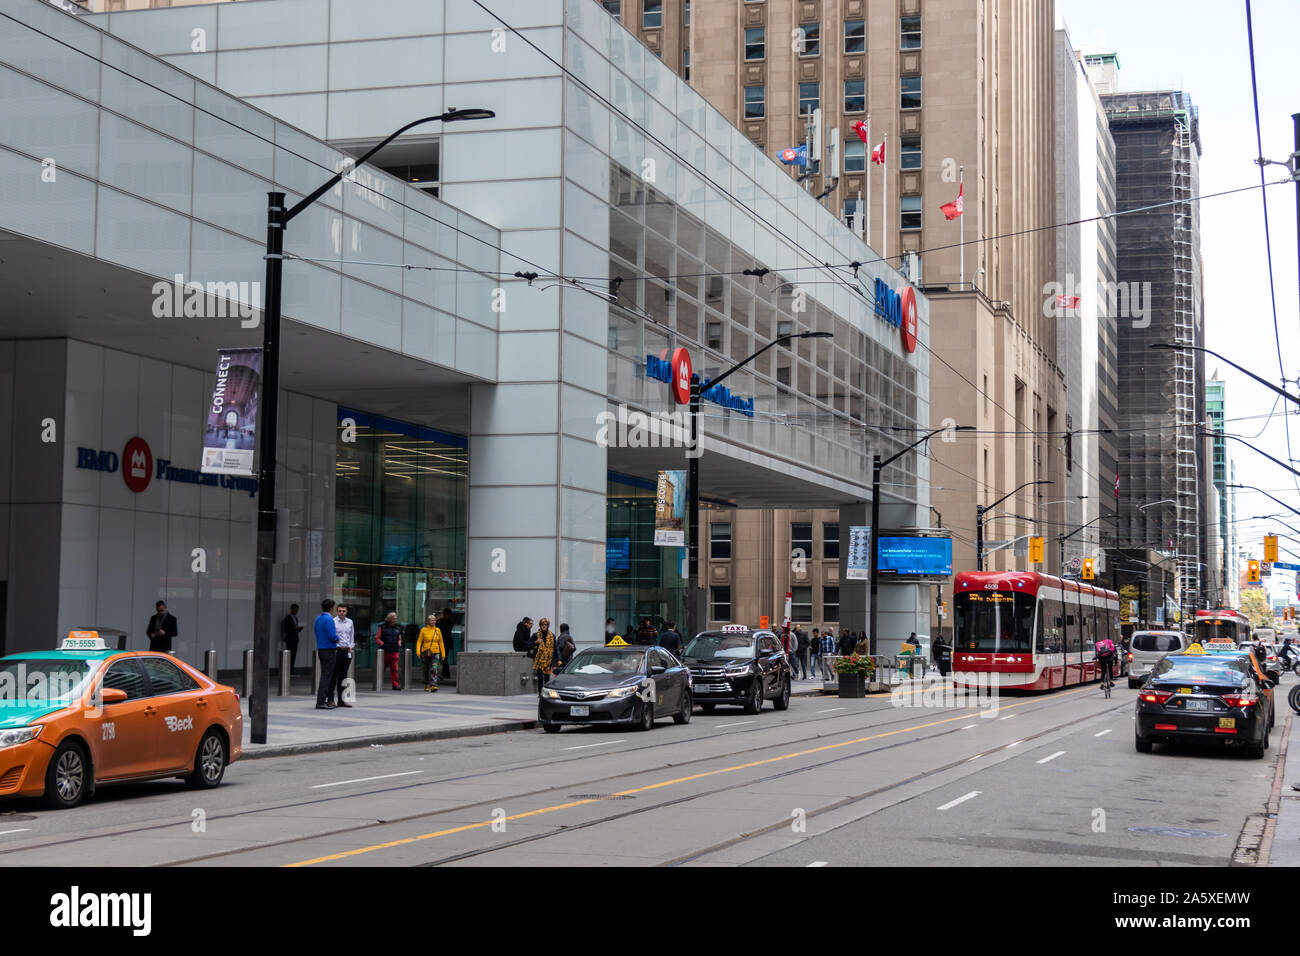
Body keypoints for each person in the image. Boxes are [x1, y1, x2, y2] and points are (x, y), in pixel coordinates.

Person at [314, 599, 339, 710]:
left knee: (324, 675)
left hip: (321, 648)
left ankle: (322, 700)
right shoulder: (329, 619)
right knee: (326, 676)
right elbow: (332, 635)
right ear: (331, 608)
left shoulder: (318, 618)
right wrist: (337, 639)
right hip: (329, 649)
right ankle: (321, 701)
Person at [331, 604, 355, 707]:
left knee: (343, 677)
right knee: (333, 676)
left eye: (343, 611)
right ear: (337, 611)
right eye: (340, 611)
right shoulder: (333, 621)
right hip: (337, 651)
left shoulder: (350, 622)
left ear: (346, 612)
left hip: (346, 651)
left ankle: (341, 701)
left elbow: (351, 635)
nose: (342, 613)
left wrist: (351, 646)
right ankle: (330, 699)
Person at [417, 614, 445, 692]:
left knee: (434, 668)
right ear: (428, 621)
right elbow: (419, 641)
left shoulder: (438, 630)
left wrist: (443, 654)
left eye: (434, 620)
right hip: (425, 652)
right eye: (432, 620)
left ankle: (434, 685)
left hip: (436, 652)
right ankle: (427, 684)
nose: (434, 622)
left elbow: (441, 642)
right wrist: (418, 652)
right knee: (426, 669)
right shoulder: (423, 630)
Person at [376, 611, 403, 690]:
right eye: (394, 618)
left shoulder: (397, 628)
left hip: (395, 651)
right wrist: (383, 645)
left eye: (396, 618)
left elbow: (399, 638)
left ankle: (395, 685)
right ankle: (379, 684)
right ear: (389, 619)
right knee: (381, 668)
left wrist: (399, 643)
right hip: (384, 651)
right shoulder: (382, 627)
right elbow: (377, 638)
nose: (395, 620)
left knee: (395, 669)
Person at [530, 618, 557, 695]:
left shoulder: (552, 636)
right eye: (542, 624)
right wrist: (535, 642)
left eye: (545, 624)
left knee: (547, 678)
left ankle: (546, 693)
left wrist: (556, 660)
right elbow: (528, 644)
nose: (544, 626)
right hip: (539, 660)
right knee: (540, 678)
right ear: (540, 625)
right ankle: (540, 693)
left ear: (548, 625)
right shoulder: (535, 635)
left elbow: (555, 648)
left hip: (548, 660)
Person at [281, 604, 303, 675]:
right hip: (290, 639)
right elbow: (286, 630)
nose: (296, 611)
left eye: (297, 610)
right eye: (295, 610)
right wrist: (294, 629)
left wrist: (298, 629)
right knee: (290, 655)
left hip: (295, 639)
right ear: (292, 609)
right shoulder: (287, 618)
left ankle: (292, 670)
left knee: (294, 655)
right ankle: (289, 670)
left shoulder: (295, 618)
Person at [438, 607, 455, 681]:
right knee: (443, 658)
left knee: (444, 658)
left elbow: (443, 629)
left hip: (445, 642)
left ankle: (445, 674)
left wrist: (439, 619)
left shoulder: (448, 622)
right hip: (444, 642)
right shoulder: (442, 621)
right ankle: (445, 674)